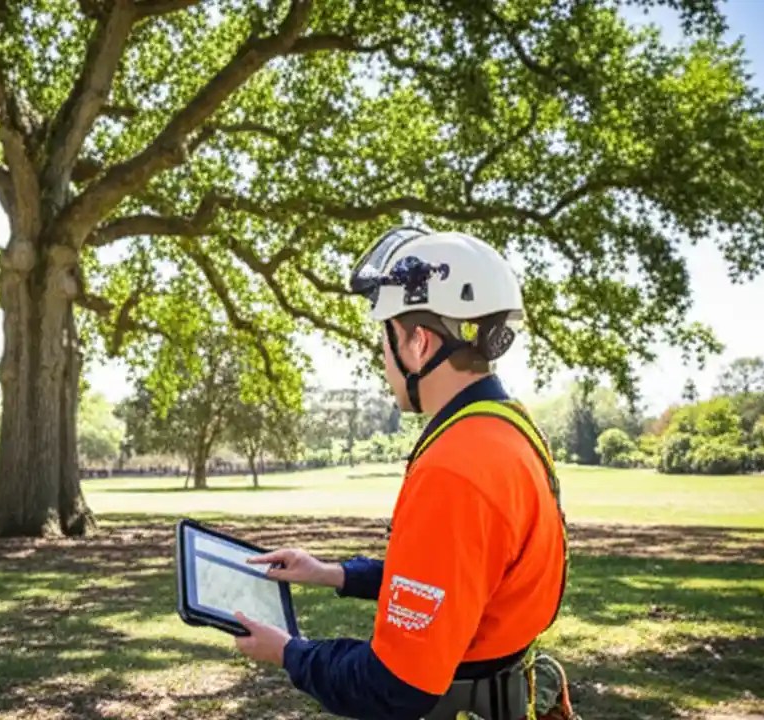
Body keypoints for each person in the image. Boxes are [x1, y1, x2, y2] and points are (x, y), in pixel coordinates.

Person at [231, 227, 575, 720]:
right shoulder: (507, 429)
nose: (383, 361)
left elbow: (393, 687)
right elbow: (458, 580)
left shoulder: (455, 467)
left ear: (417, 342)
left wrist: (289, 652)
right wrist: (332, 574)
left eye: (386, 339)